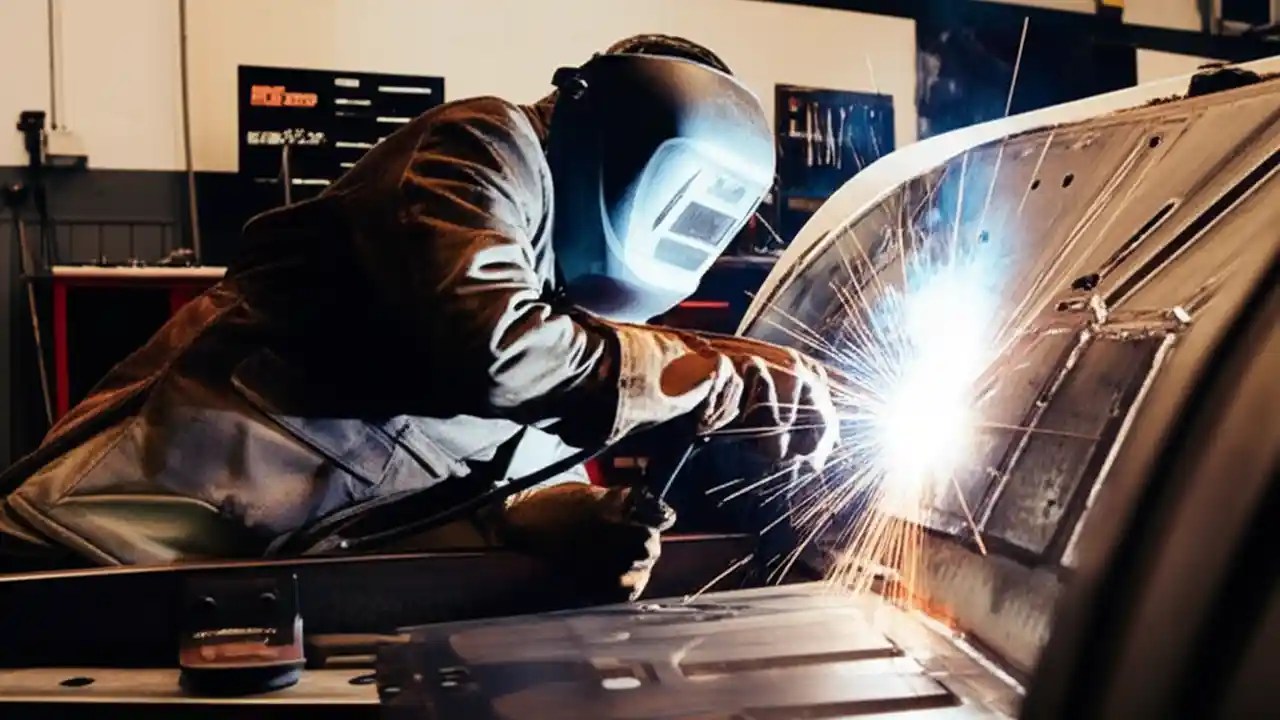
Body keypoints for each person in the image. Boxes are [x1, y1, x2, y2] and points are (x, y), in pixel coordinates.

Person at [0, 35, 837, 600]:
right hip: (99, 551)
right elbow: (494, 349)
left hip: (251, 593)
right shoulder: (485, 147)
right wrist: (710, 374)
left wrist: (560, 520)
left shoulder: (573, 313)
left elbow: (492, 466)